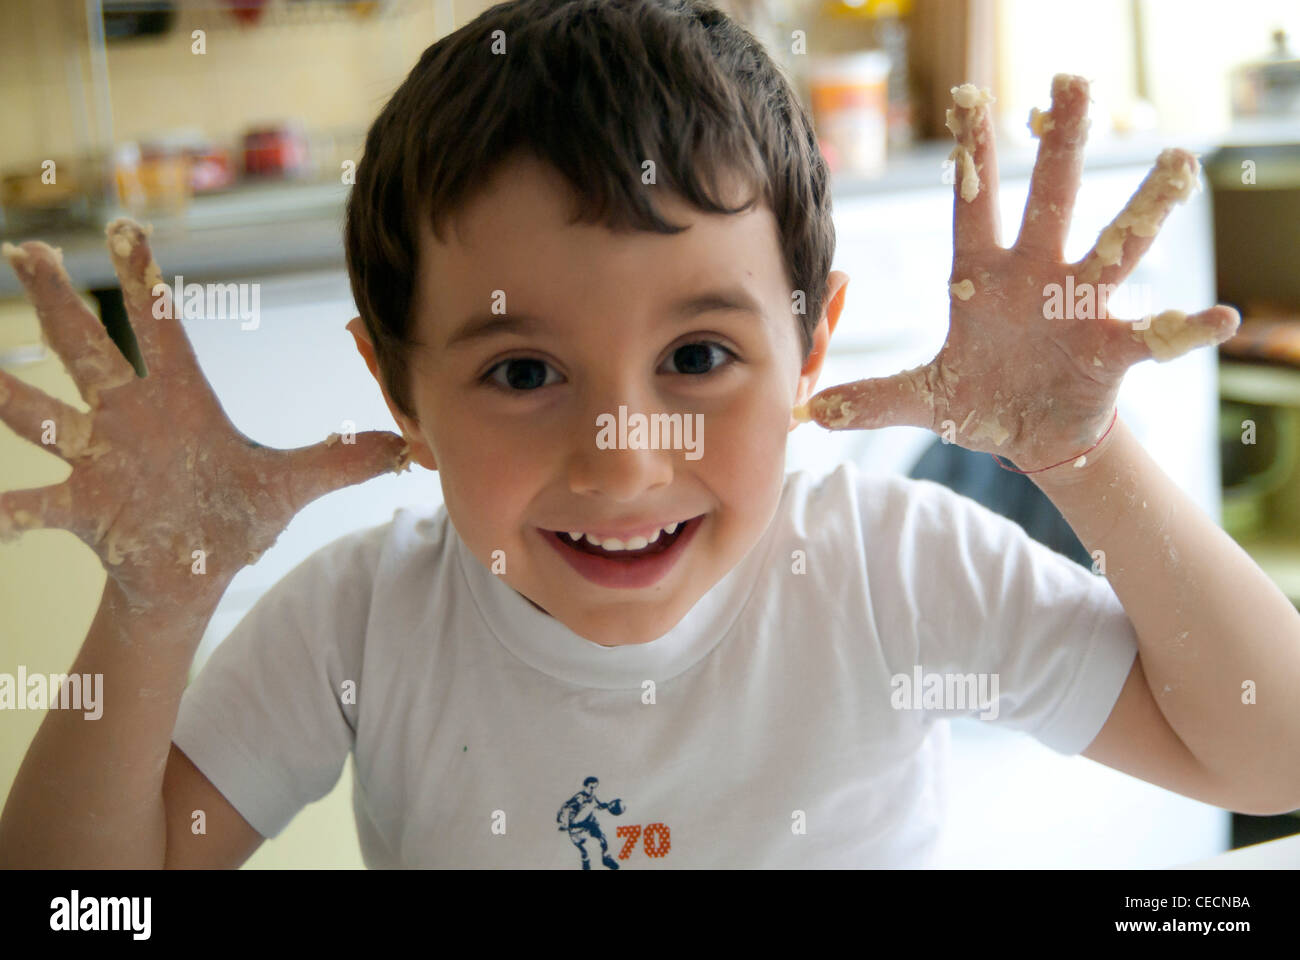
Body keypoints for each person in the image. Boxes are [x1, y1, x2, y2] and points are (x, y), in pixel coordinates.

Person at [1, 0, 1295, 869]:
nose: (621, 456)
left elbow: (1271, 750)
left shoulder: (890, 567)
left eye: (697, 357)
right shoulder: (364, 621)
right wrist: (154, 608)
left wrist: (1083, 459)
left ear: (812, 345)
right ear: (398, 390)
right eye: (521, 371)